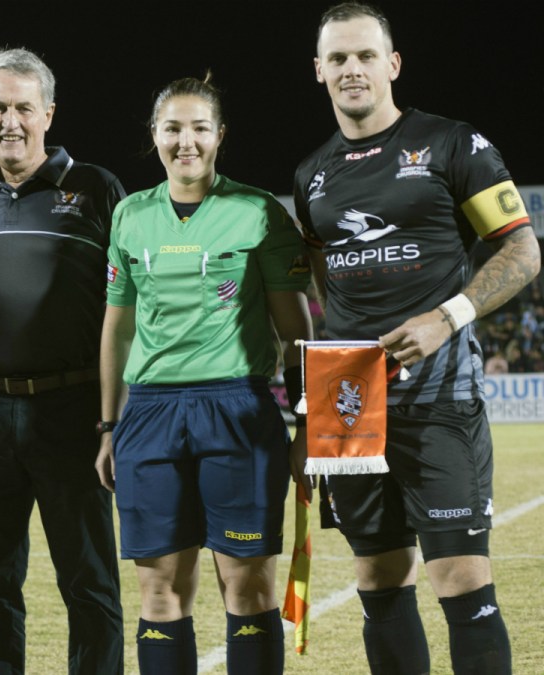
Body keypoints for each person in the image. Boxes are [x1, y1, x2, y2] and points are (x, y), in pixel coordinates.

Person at [294, 3, 540, 673]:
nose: (352, 69)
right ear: (319, 70)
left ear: (392, 64)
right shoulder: (311, 174)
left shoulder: (452, 144)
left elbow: (522, 251)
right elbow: (321, 276)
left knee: (460, 576)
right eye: (338, 58)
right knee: (377, 578)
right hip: (350, 401)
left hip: (439, 397)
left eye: (365, 55)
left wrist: (448, 316)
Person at [96, 74, 313, 675]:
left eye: (198, 128)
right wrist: (109, 426)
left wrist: (308, 426)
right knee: (159, 590)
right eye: (172, 128)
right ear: (154, 135)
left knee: (247, 586)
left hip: (236, 408)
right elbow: (117, 330)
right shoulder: (129, 216)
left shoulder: (258, 211)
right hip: (148, 414)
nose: (185, 141)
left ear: (220, 135)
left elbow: (297, 333)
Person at [0, 47, 125, 674]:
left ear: (49, 112)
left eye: (23, 107)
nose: (9, 121)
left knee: (89, 582)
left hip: (73, 411)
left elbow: (129, 311)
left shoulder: (96, 189)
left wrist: (114, 420)